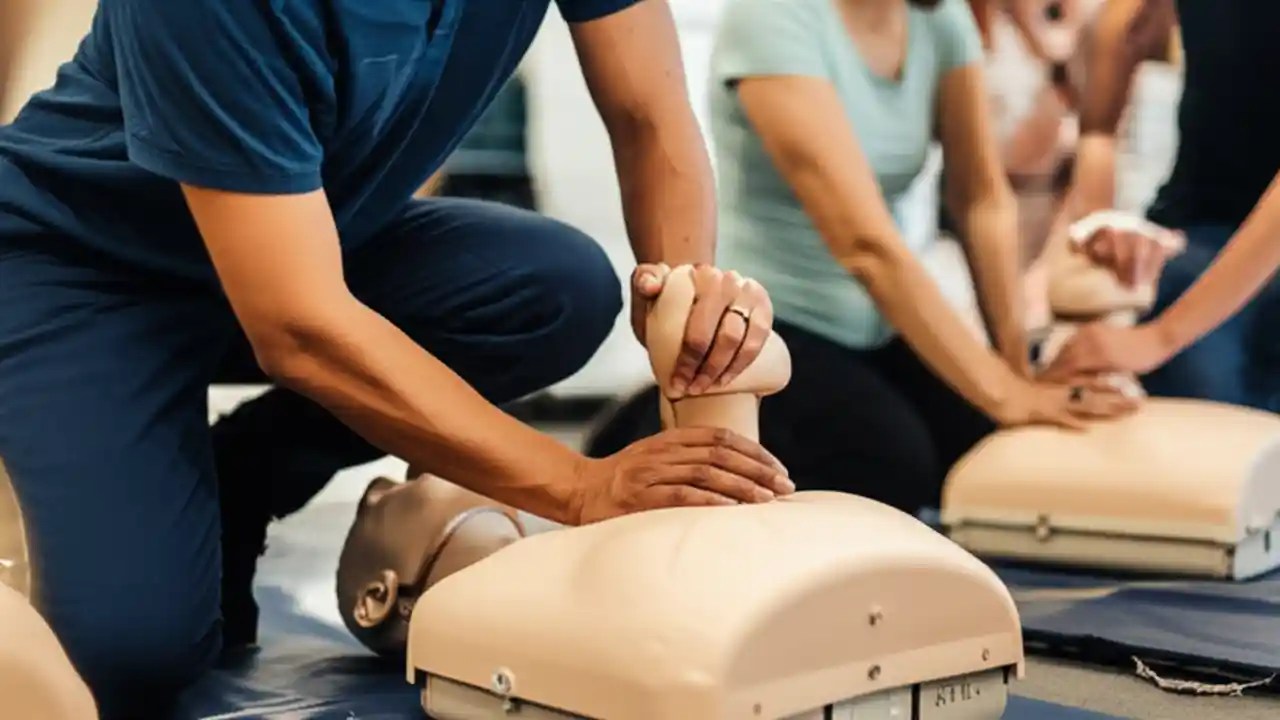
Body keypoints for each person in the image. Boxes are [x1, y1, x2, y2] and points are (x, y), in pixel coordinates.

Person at [0, 0, 796, 715]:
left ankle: (241, 477)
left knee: (558, 290)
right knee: (129, 651)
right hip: (83, 267)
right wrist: (581, 486)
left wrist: (691, 314)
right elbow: (300, 327)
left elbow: (648, 114)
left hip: (306, 238)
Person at [586, 0, 1133, 515]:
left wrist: (1016, 372)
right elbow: (864, 244)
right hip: (776, 328)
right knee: (892, 465)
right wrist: (1005, 394)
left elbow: (980, 201)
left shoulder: (940, 23)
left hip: (879, 328)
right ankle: (643, 427)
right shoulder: (774, 17)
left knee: (979, 442)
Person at [1040, 0, 1280, 413]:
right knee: (1192, 388)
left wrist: (1160, 338)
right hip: (1195, 233)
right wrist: (1103, 222)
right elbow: (1098, 129)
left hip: (1252, 248)